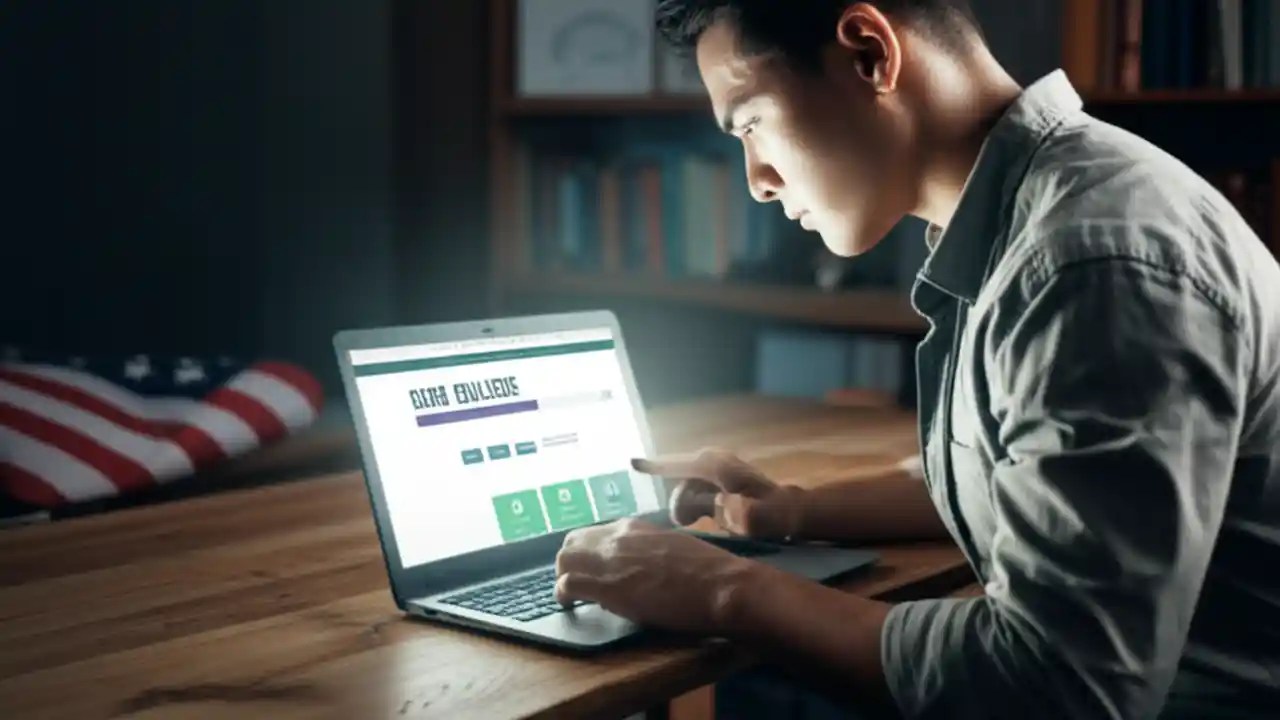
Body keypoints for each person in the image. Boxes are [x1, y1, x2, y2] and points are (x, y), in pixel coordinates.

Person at [553, 1, 1280, 718]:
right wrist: (794, 509)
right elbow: (1016, 473)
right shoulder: (1027, 219)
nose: (757, 179)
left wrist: (722, 590)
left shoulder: (1087, 263)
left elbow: (1059, 686)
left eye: (750, 123)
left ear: (869, 53)